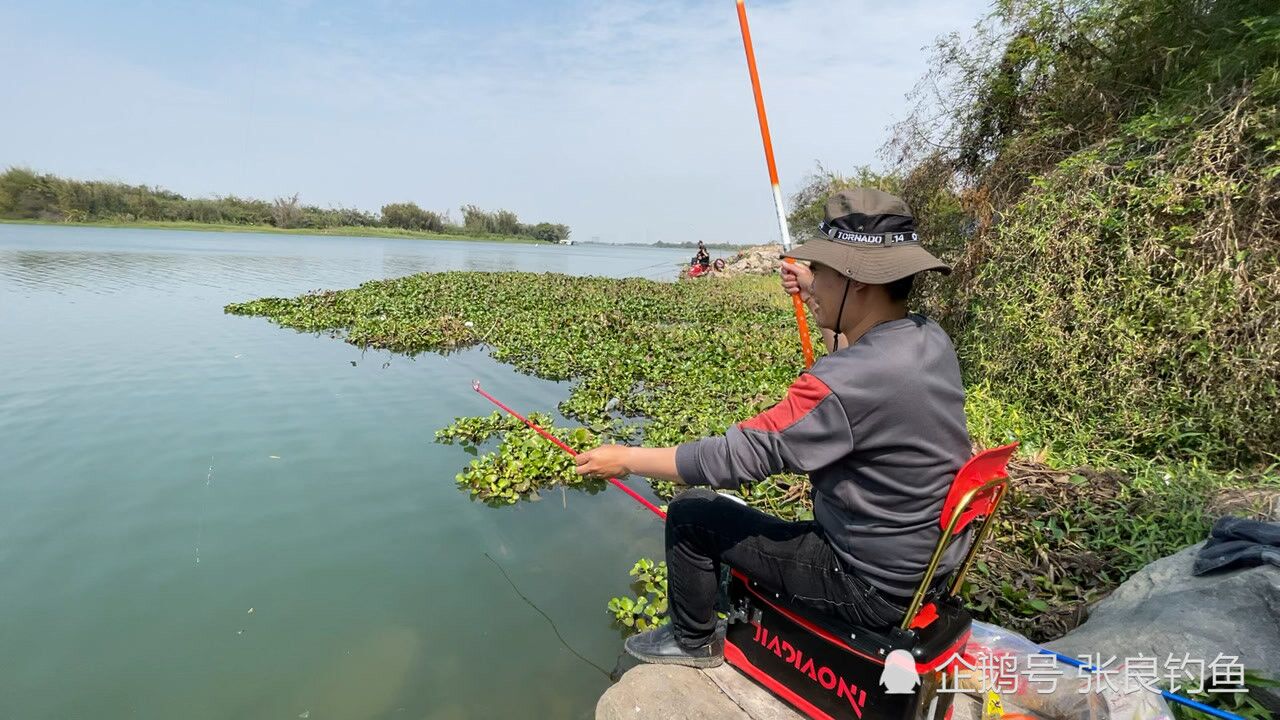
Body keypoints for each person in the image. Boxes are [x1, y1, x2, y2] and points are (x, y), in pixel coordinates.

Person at [575, 188, 971, 668]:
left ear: (858, 281)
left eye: (822, 271)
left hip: (867, 586)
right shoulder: (928, 340)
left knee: (693, 513)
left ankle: (693, 643)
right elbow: (856, 361)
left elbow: (736, 457)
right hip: (925, 568)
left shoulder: (848, 381)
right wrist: (813, 293)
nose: (814, 280)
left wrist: (626, 459)